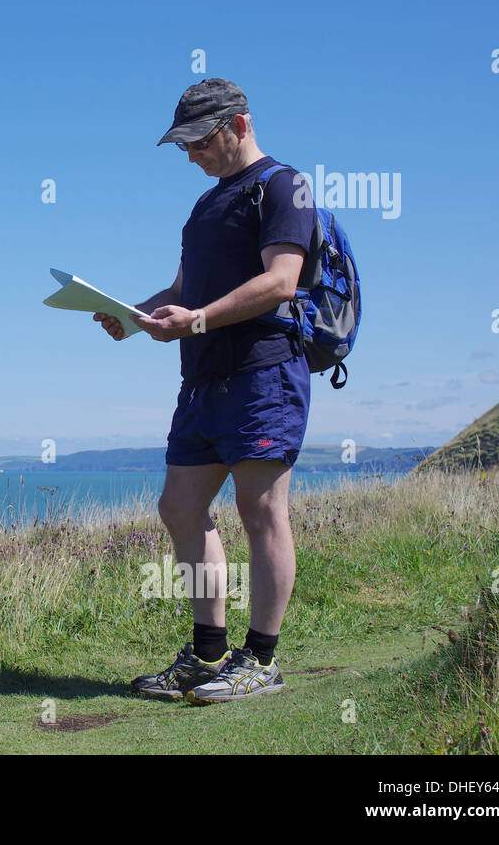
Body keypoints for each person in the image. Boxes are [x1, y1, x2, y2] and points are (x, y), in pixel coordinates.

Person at [95, 78, 316, 704]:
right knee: (179, 508)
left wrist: (193, 320)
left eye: (200, 141)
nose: (191, 155)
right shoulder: (205, 206)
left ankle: (262, 660)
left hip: (262, 372)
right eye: (184, 146)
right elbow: (184, 288)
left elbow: (280, 282)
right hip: (202, 379)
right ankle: (208, 654)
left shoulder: (284, 186)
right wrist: (134, 312)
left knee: (262, 512)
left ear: (239, 125)